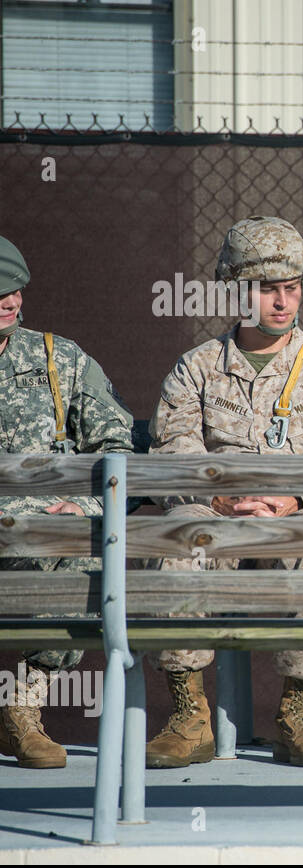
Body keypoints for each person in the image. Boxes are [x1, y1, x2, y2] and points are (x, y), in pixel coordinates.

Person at [146, 216, 303, 769]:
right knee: (178, 543)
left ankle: (298, 712)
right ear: (236, 292)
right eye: (267, 290)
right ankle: (190, 714)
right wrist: (220, 500)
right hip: (216, 514)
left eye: (291, 288)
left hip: (293, 516)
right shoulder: (198, 367)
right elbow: (173, 452)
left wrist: (295, 502)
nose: (282, 302)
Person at [0, 236, 135, 769]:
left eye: (16, 289)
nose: (10, 301)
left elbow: (116, 448)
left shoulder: (60, 360)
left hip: (45, 533)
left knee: (87, 558)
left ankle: (22, 706)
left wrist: (88, 508)